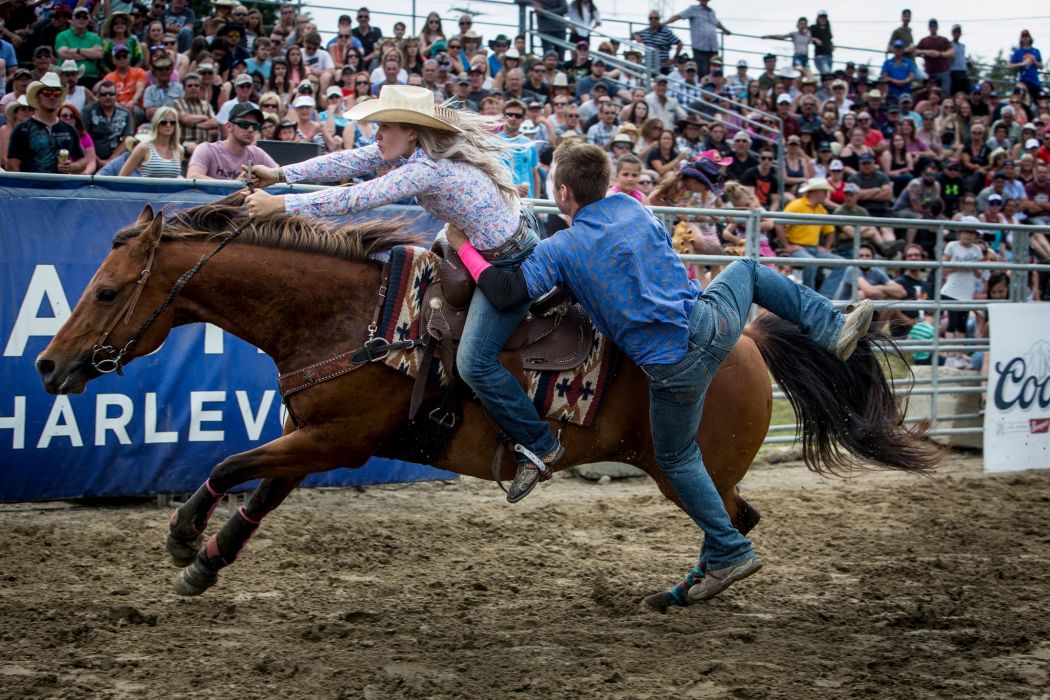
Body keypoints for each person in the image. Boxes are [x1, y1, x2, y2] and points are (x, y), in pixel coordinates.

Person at [445, 143, 873, 601]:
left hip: (673, 368)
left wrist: (464, 247)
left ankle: (730, 549)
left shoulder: (562, 247)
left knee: (676, 459)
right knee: (747, 268)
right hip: (712, 325)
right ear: (608, 184)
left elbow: (508, 294)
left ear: (563, 193)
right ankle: (832, 327)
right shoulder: (632, 207)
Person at [242, 85, 563, 496]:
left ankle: (540, 444)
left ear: (411, 132)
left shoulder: (424, 169)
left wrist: (280, 206)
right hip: (491, 244)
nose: (377, 135)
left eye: (385, 126)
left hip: (507, 263)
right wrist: (282, 175)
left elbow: (358, 196)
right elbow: (351, 160)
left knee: (475, 362)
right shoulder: (419, 156)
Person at [778, 177, 848, 298]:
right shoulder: (796, 205)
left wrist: (826, 247)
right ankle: (809, 298)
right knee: (811, 262)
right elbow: (779, 224)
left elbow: (830, 231)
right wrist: (787, 245)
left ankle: (824, 297)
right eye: (824, 191)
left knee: (842, 264)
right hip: (798, 248)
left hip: (812, 249)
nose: (826, 194)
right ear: (816, 192)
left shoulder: (821, 209)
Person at [7, 73, 87, 174]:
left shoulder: (69, 129)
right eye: (47, 92)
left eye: (57, 93)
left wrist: (72, 167)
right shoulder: (22, 129)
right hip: (31, 187)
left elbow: (83, 160)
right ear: (37, 97)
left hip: (60, 187)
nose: (52, 97)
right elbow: (12, 165)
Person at [185, 102, 276, 179]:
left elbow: (281, 175)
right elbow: (193, 176)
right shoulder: (207, 149)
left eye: (255, 126)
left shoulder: (257, 154)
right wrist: (235, 185)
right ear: (229, 126)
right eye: (244, 124)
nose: (250, 130)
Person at [664, 0, 730, 78]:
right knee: (702, 72)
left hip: (713, 47)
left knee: (715, 71)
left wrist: (725, 30)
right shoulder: (693, 9)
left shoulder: (711, 12)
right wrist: (664, 23)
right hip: (700, 48)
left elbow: (716, 23)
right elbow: (679, 16)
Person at [82, 79, 133, 170]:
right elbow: (83, 137)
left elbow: (127, 139)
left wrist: (110, 161)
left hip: (117, 159)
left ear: (116, 96)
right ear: (98, 96)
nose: (108, 97)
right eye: (104, 94)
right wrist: (97, 160)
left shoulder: (125, 113)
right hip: (91, 158)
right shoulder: (88, 111)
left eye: (111, 94)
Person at [120, 105, 183, 177]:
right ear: (156, 124)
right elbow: (122, 176)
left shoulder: (179, 150)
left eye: (172, 122)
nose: (168, 125)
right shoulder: (143, 148)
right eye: (163, 122)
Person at [915, 19, 953, 95]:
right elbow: (915, 52)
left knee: (945, 93)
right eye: (931, 26)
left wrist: (939, 54)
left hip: (943, 72)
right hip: (928, 73)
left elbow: (951, 53)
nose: (933, 28)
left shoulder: (943, 40)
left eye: (934, 26)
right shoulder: (924, 40)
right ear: (929, 28)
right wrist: (926, 52)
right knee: (928, 94)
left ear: (937, 27)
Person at [1009, 30, 1043, 101]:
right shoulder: (1018, 52)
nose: (1025, 38)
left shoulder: (1036, 51)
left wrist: (1034, 61)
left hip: (1035, 81)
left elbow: (1041, 66)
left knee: (1039, 100)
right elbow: (1010, 65)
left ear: (1030, 38)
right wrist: (1022, 64)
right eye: (1023, 37)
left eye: (1027, 36)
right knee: (1020, 99)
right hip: (1023, 81)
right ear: (1021, 39)